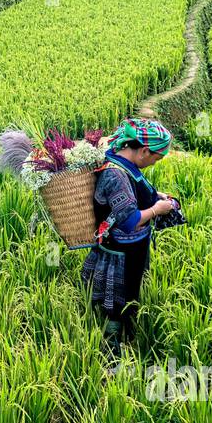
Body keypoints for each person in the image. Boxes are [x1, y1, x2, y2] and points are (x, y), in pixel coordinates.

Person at [80, 118, 178, 353]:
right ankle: (111, 352)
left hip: (132, 250)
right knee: (116, 301)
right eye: (157, 158)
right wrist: (157, 210)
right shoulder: (116, 175)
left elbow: (136, 190)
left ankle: (127, 336)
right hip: (120, 255)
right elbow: (128, 220)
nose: (156, 162)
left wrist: (156, 196)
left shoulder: (120, 159)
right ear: (144, 151)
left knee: (128, 296)